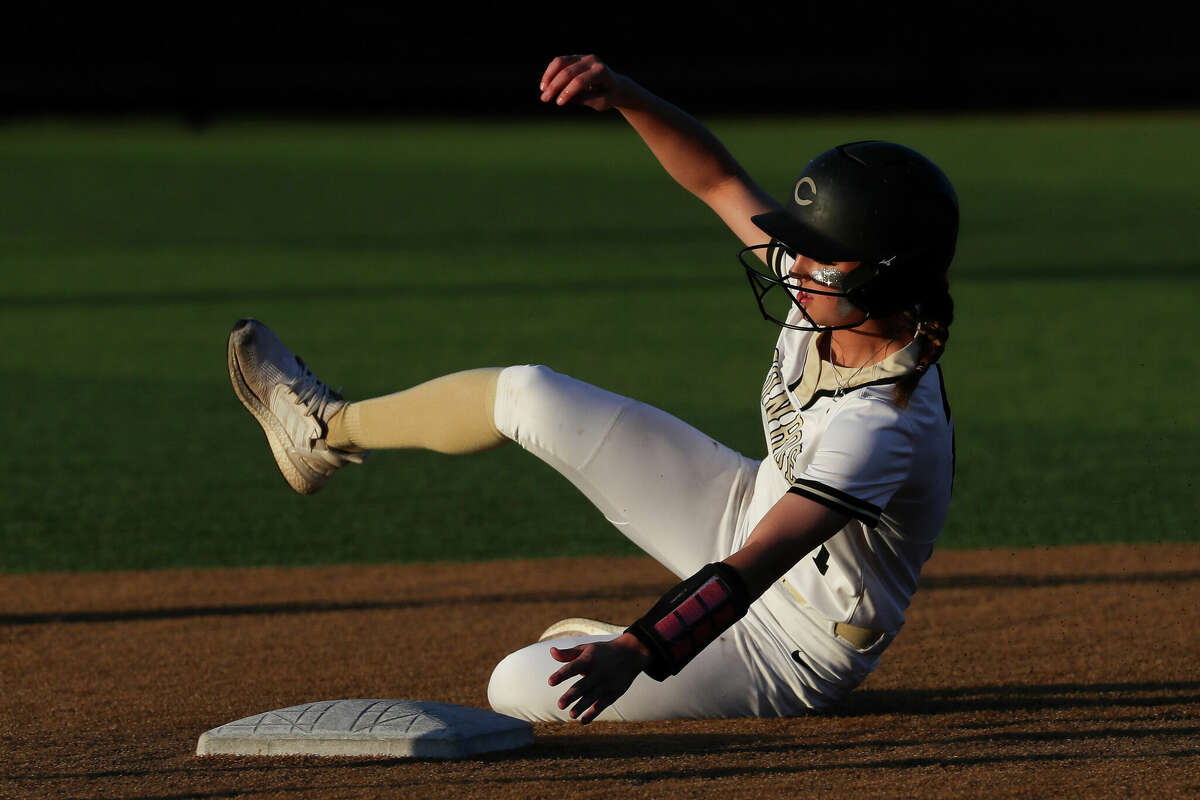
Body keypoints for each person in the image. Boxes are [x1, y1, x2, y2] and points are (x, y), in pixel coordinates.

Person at [226, 54, 958, 724]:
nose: (793, 262)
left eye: (819, 253)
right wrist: (628, 95)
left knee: (519, 682)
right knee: (529, 393)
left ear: (881, 278)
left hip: (791, 639)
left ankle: (634, 641)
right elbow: (716, 180)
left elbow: (756, 566)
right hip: (745, 507)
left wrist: (637, 648)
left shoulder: (881, 425)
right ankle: (324, 431)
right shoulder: (830, 294)